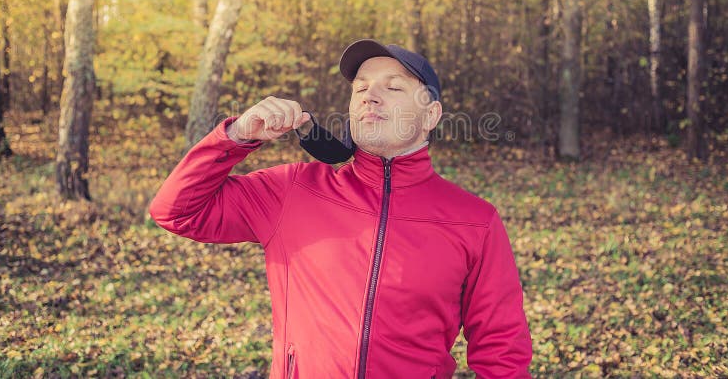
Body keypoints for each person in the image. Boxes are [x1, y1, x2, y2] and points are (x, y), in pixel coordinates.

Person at [149, 39, 532, 378]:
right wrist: (236, 136)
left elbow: (502, 352)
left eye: (393, 87)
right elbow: (177, 211)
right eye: (360, 88)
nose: (370, 96)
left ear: (430, 115)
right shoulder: (292, 190)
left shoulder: (475, 221)